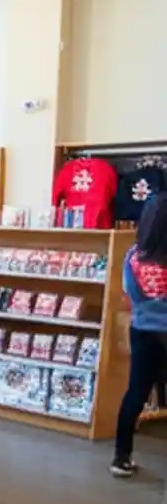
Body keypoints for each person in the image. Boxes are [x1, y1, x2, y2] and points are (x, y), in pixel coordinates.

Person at [113, 193, 167, 476]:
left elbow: (127, 294)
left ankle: (121, 457)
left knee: (136, 392)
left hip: (143, 328)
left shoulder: (132, 256)